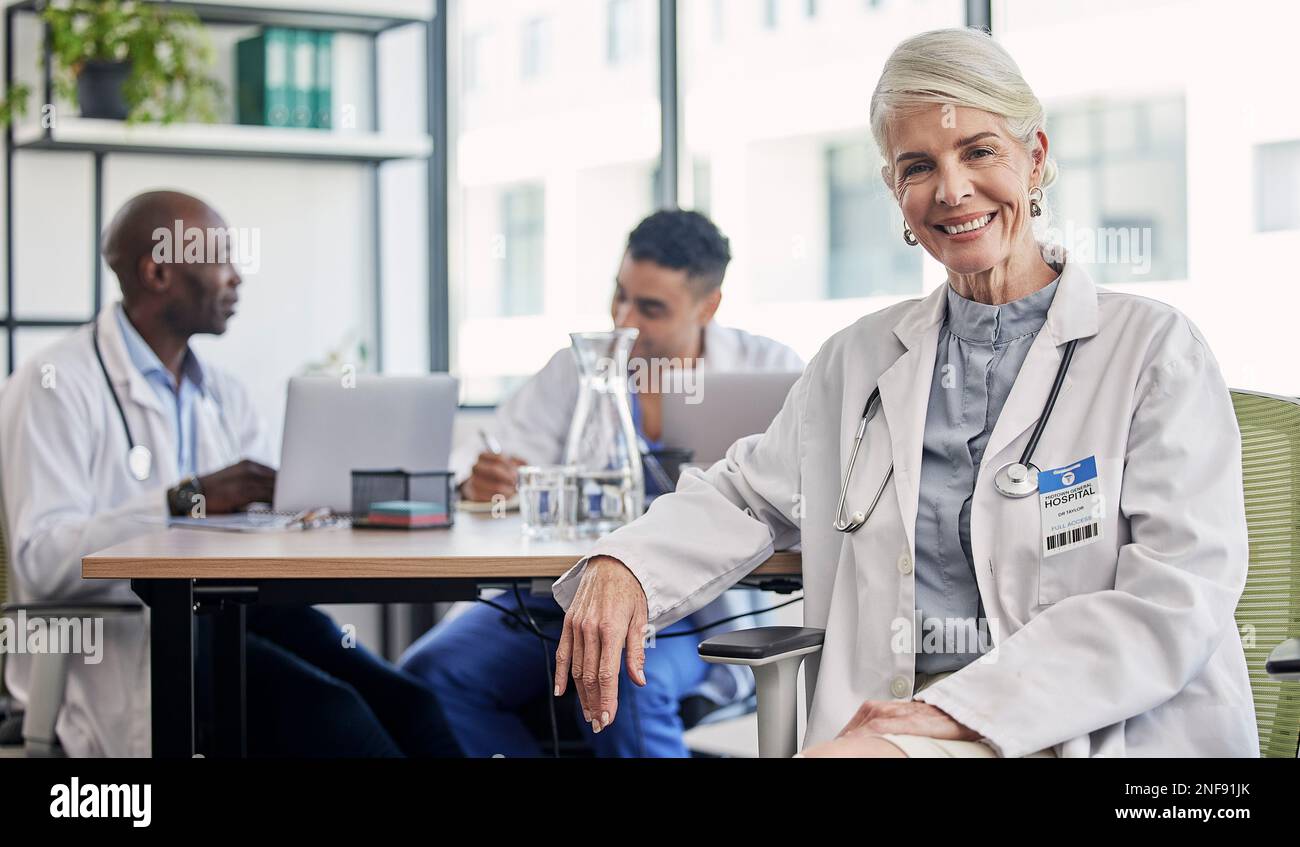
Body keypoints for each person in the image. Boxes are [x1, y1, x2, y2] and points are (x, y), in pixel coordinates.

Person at [549, 28, 1259, 758]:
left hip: (1097, 731)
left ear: (1036, 158)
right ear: (896, 193)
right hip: (894, 724)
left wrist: (953, 711)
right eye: (918, 166)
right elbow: (744, 494)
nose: (952, 190)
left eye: (979, 151)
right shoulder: (857, 360)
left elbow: (1171, 599)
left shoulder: (1153, 349)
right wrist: (625, 563)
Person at [0, 190, 460, 757]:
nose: (237, 277)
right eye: (220, 257)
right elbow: (41, 561)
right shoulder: (54, 385)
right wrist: (183, 500)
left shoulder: (223, 393)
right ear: (158, 271)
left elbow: (262, 540)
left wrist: (303, 509)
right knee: (339, 721)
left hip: (235, 619)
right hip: (133, 643)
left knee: (415, 708)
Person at [400, 209, 804, 757]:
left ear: (708, 307)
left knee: (625, 675)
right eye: (619, 296)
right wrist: (482, 480)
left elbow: (800, 501)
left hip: (694, 610)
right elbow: (485, 453)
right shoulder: (579, 369)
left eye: (650, 308)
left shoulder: (770, 371)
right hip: (560, 596)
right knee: (434, 675)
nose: (623, 319)